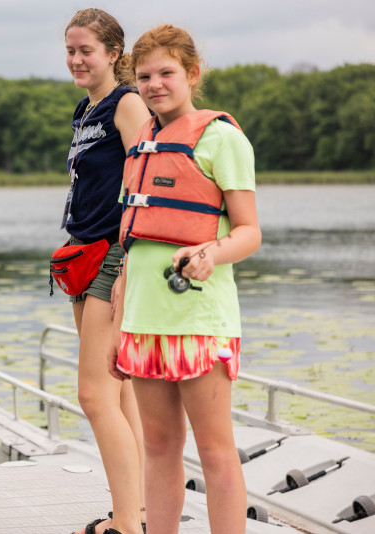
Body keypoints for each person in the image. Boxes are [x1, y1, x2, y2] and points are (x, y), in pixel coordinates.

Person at [109, 25, 261, 534]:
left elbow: (249, 232)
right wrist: (118, 326)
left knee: (215, 450)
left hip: (199, 319)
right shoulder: (142, 144)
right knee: (157, 446)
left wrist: (210, 254)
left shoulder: (222, 138)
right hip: (143, 322)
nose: (154, 85)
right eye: (144, 76)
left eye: (166, 73)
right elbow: (134, 248)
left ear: (192, 75)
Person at [62, 9, 152, 534]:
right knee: (116, 392)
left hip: (115, 256)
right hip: (83, 254)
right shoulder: (85, 108)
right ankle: (136, 513)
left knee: (94, 393)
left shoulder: (127, 102)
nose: (76, 60)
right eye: (70, 51)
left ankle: (126, 523)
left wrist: (129, 260)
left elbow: (151, 178)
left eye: (86, 51)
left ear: (113, 54)